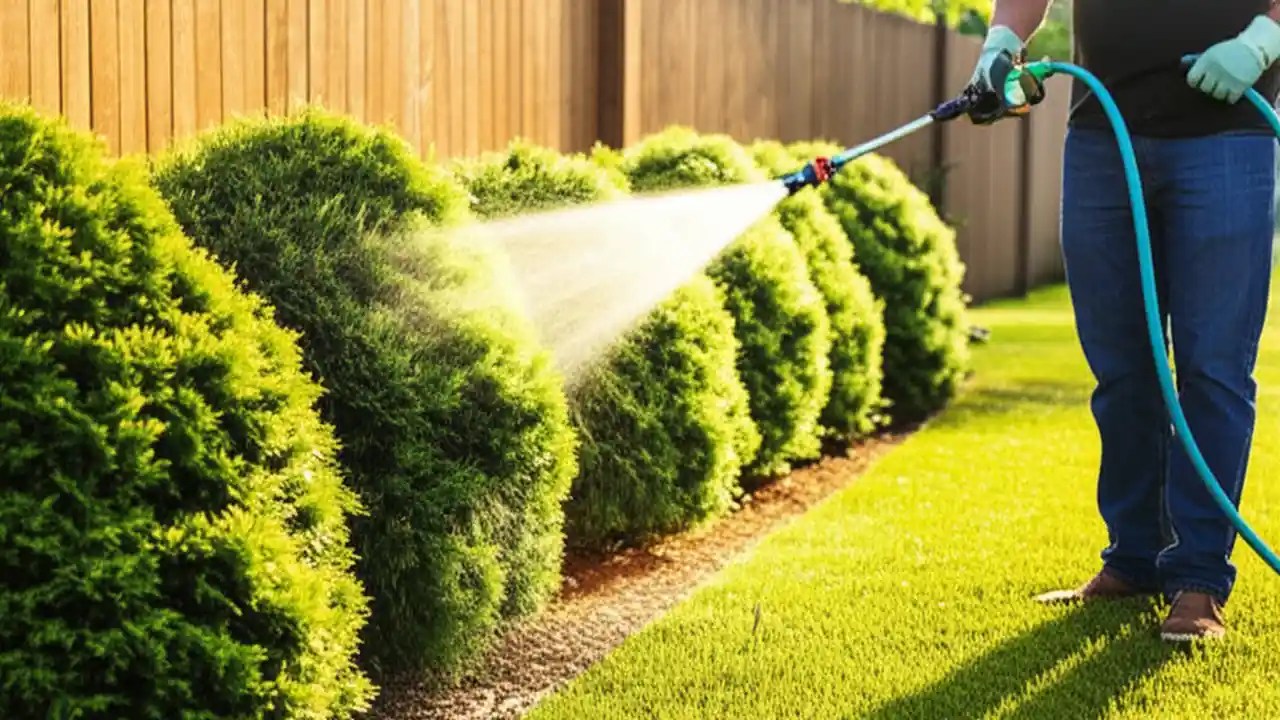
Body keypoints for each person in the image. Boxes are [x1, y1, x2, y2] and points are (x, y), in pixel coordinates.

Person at [965, 0, 1280, 642]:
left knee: (1212, 369)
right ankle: (1135, 556)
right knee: (1121, 367)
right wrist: (1000, 40)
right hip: (1102, 139)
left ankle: (1197, 578)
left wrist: (1262, 40)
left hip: (1228, 136)